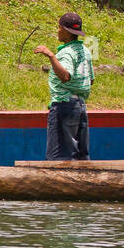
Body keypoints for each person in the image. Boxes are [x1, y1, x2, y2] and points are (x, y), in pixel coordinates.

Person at [35, 11, 93, 161]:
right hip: (80, 105)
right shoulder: (85, 51)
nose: (58, 31)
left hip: (64, 106)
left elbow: (65, 76)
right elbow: (91, 79)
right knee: (80, 156)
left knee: (59, 158)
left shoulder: (66, 53)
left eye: (59, 27)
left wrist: (51, 56)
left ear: (66, 31)